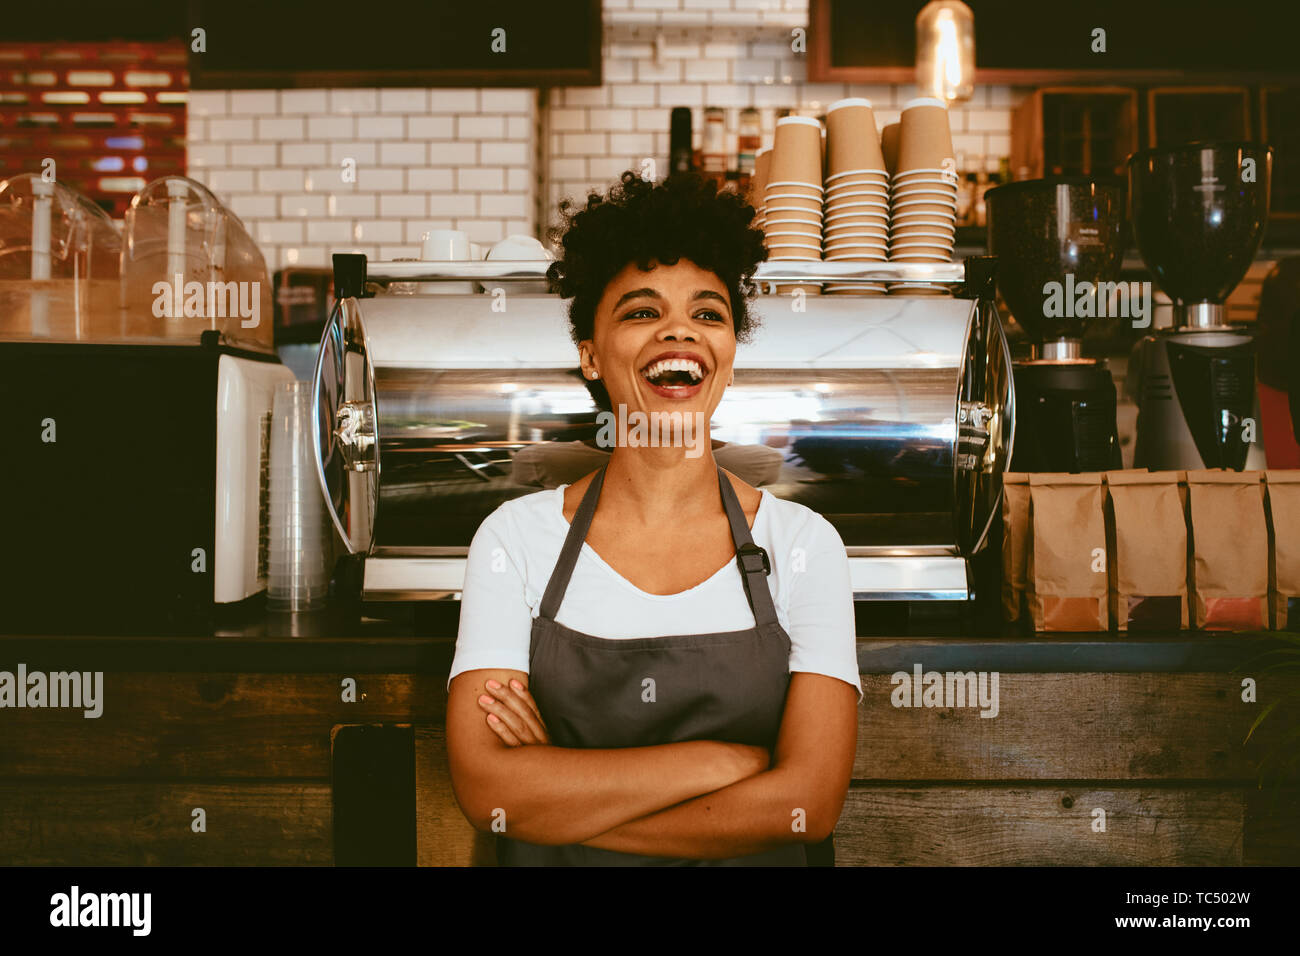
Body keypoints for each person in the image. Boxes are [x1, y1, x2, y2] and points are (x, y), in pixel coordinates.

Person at [446, 171, 861, 866]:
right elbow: (488, 789)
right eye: (641, 312)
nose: (679, 329)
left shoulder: (804, 546)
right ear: (590, 354)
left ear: (728, 357)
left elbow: (806, 806)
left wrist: (551, 804)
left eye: (709, 313)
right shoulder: (514, 542)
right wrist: (717, 765)